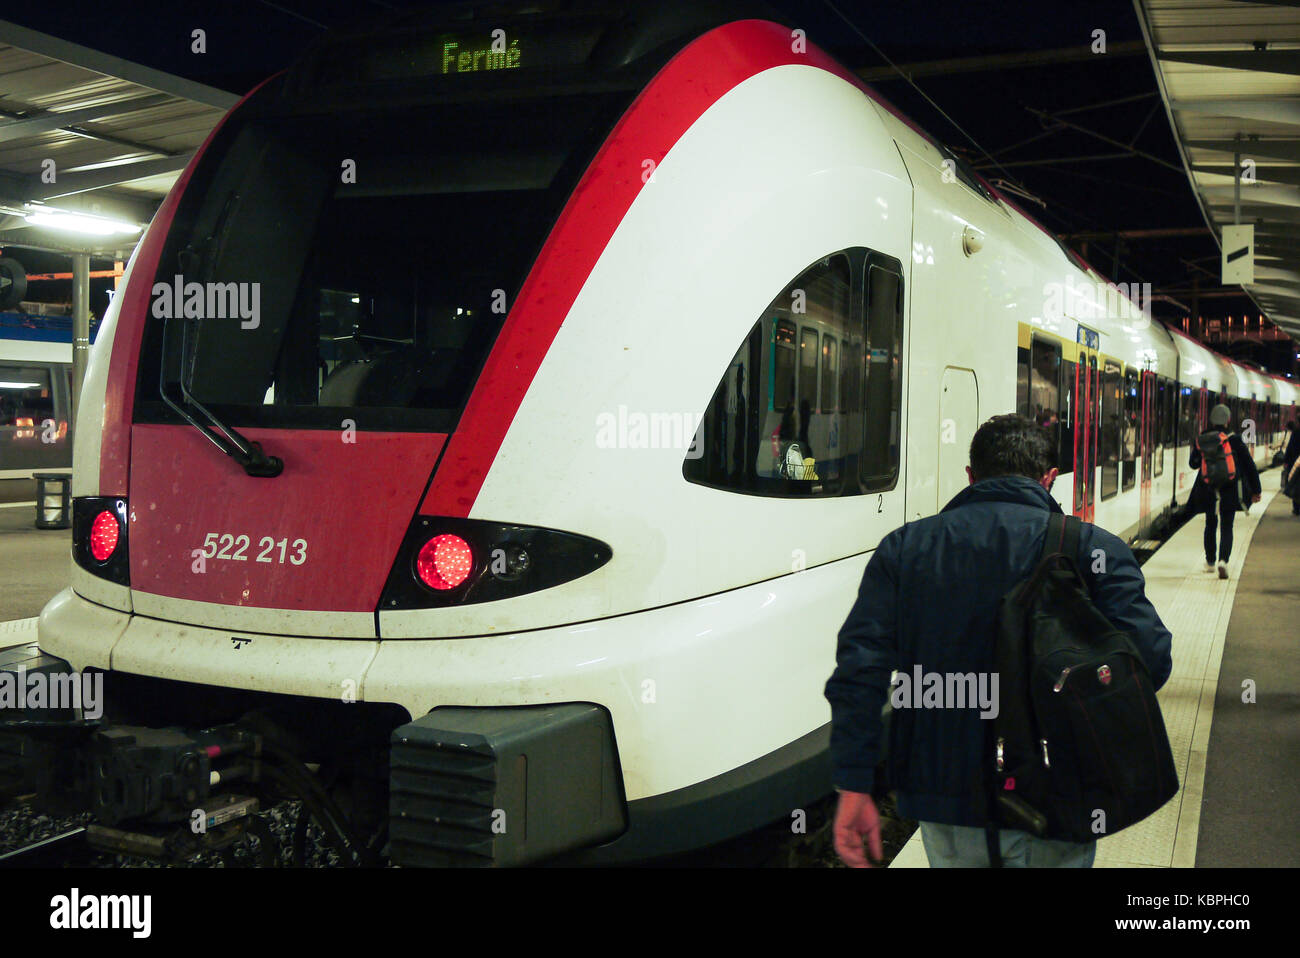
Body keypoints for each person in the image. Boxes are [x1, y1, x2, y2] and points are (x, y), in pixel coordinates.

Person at [825, 414, 1173, 868]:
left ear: (970, 476)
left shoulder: (905, 548)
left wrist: (854, 784)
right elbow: (1151, 661)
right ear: (1049, 479)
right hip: (1058, 793)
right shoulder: (1091, 548)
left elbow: (859, 672)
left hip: (943, 795)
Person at [1189, 404, 1260, 577]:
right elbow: (1249, 466)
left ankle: (1210, 561)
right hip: (1230, 490)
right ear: (1228, 420)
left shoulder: (1203, 438)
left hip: (1208, 489)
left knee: (1210, 524)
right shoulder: (1234, 440)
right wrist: (1256, 490)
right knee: (1227, 525)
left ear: (1211, 420)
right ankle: (1223, 561)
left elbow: (1193, 464)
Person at [1283, 421, 1300, 517]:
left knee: (1296, 486)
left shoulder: (1296, 433)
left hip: (1296, 464)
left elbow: (1290, 448)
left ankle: (1296, 508)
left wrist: (1286, 461)